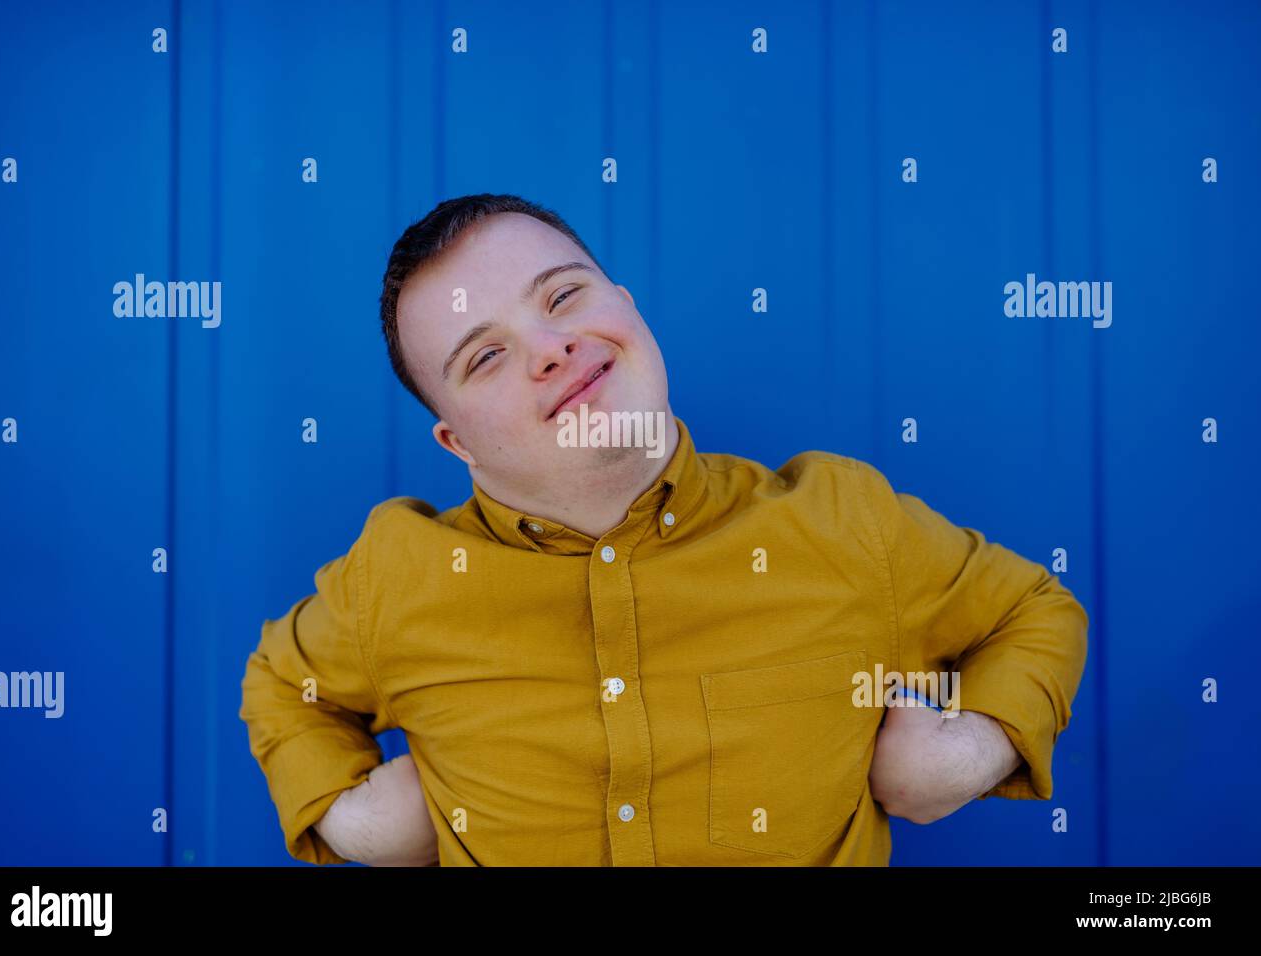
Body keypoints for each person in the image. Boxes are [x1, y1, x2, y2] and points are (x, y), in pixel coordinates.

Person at [238, 193, 1088, 866]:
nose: (552, 347)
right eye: (485, 356)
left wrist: (969, 751)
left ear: (628, 308)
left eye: (564, 295)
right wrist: (352, 818)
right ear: (456, 442)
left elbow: (1034, 611)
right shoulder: (396, 578)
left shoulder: (842, 523)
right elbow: (280, 685)